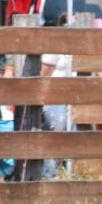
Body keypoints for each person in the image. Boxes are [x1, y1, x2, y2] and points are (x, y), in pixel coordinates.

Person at [39, 12, 72, 180]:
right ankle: (49, 174)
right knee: (54, 133)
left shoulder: (76, 47)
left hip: (69, 96)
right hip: (54, 97)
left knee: (65, 135)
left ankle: (59, 171)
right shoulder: (55, 47)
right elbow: (44, 74)